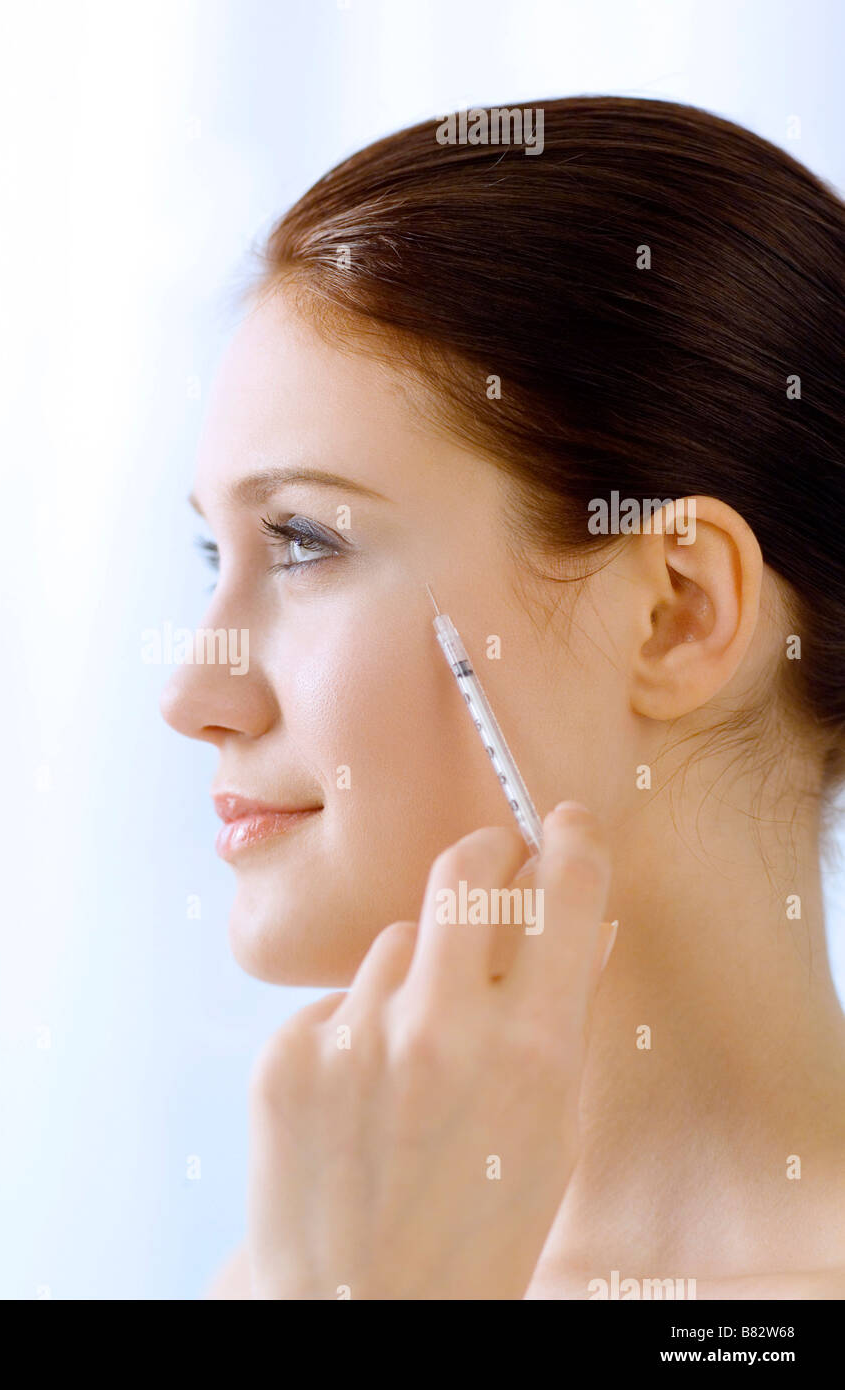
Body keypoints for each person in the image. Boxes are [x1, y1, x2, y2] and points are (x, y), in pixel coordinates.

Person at [160, 96, 845, 1299]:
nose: (193, 692)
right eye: (215, 559)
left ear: (675, 610)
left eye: (307, 540)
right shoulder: (301, 1267)